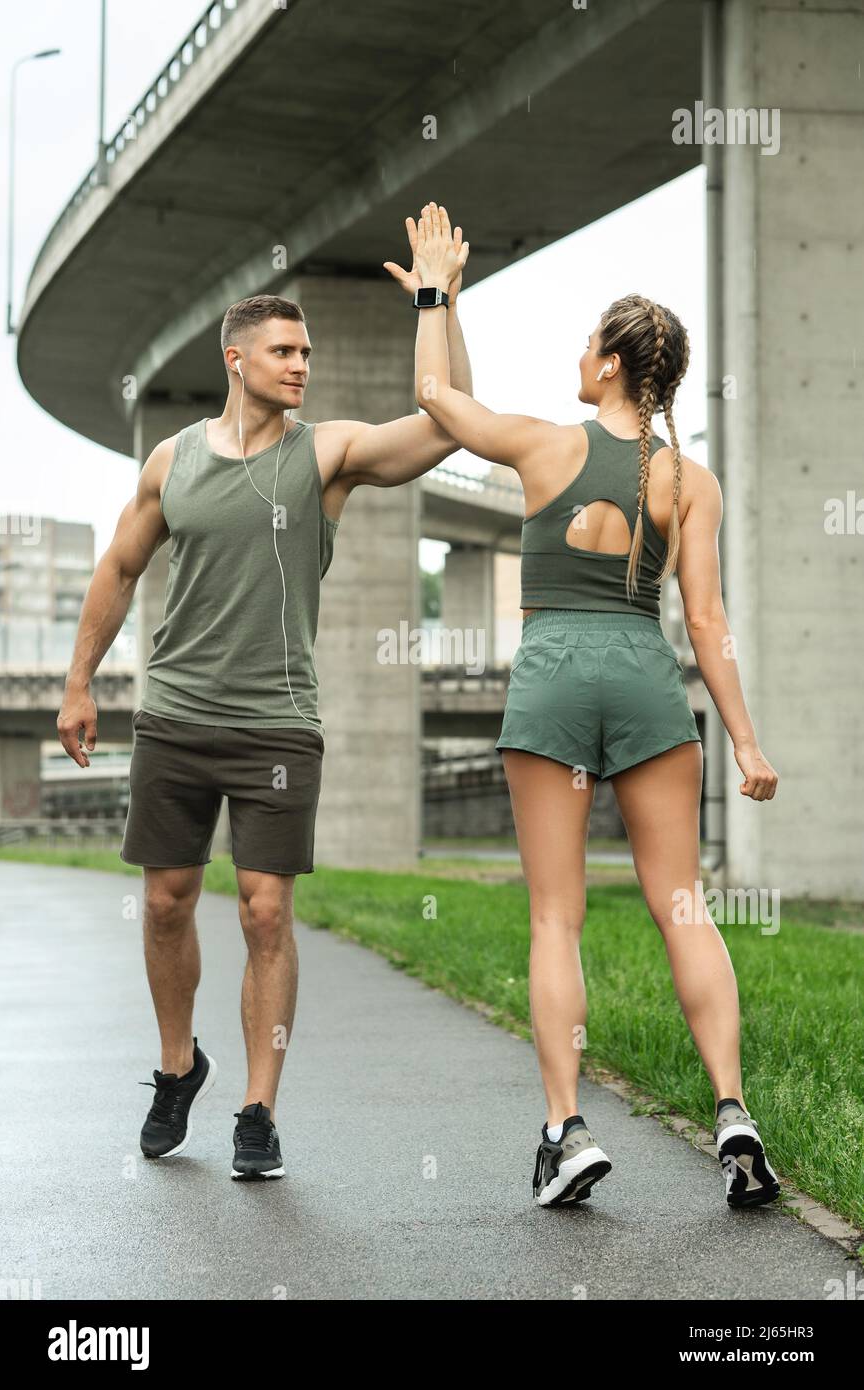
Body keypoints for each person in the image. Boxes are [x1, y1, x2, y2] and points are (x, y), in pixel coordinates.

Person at [57, 211, 471, 1180]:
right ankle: (176, 1067)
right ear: (236, 357)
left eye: (308, 351)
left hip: (277, 722)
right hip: (173, 714)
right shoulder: (173, 461)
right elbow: (117, 570)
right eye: (284, 350)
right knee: (165, 902)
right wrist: (80, 681)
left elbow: (443, 424)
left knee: (262, 911)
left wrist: (435, 300)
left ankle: (256, 1106)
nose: (301, 365)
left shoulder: (324, 454)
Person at [410, 202, 781, 1210]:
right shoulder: (686, 480)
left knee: (553, 915)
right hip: (642, 669)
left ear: (612, 365)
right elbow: (704, 622)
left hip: (554, 670)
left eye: (587, 345)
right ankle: (732, 1111)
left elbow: (435, 396)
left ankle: (566, 1129)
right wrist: (743, 740)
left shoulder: (540, 443)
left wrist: (435, 291)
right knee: (680, 904)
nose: (578, 358)